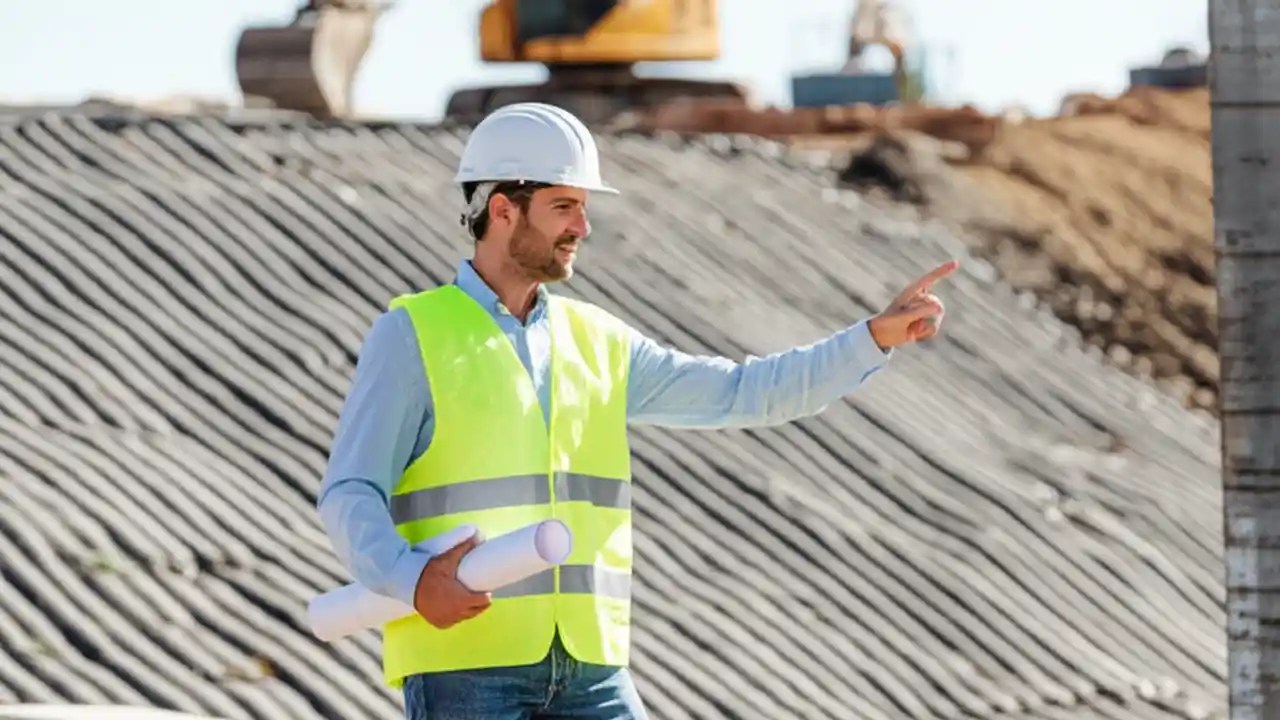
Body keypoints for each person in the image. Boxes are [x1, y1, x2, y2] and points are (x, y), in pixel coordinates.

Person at [316, 101, 956, 720]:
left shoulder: (598, 339)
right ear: (504, 210)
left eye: (584, 208)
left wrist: (870, 339)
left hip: (589, 665)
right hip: (465, 664)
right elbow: (350, 490)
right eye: (565, 206)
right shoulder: (413, 334)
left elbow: (743, 392)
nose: (582, 228)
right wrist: (412, 577)